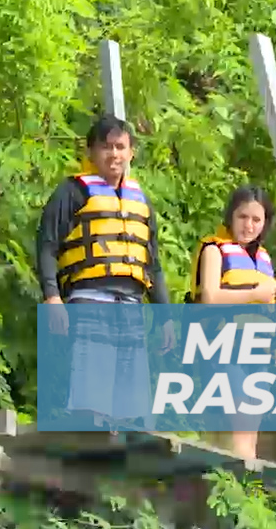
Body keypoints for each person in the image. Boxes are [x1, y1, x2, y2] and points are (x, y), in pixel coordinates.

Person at [36, 114, 176, 431]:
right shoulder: (72, 192)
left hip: (131, 307)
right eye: (106, 147)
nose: (113, 154)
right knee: (90, 397)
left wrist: (166, 315)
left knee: (131, 405)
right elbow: (47, 244)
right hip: (88, 302)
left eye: (120, 147)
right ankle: (87, 452)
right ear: (91, 152)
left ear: (131, 152)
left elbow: (151, 263)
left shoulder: (140, 201)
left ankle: (123, 465)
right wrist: (52, 296)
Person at [188, 184, 276, 460]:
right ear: (231, 216)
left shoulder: (263, 259)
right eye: (242, 217)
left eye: (256, 219)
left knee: (247, 432)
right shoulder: (215, 250)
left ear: (264, 224)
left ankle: (228, 491)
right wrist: (253, 294)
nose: (248, 225)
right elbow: (210, 297)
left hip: (257, 351)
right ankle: (240, 490)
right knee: (238, 424)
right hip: (222, 345)